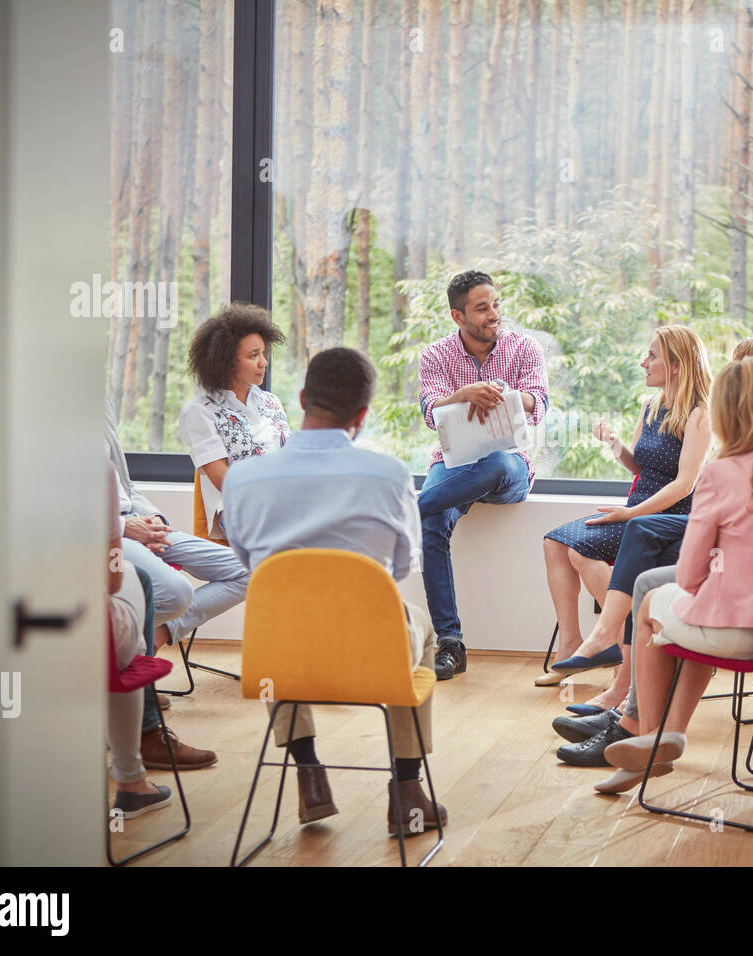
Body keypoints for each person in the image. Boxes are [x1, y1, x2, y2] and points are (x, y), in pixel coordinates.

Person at [551, 334, 753, 752]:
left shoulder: (724, 473)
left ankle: (633, 723)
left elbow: (693, 575)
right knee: (654, 569)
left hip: (740, 627)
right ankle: (661, 732)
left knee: (651, 594)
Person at [223, 347, 447, 834]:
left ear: (302, 398)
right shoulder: (388, 475)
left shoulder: (242, 477)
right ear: (362, 416)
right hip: (374, 653)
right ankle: (407, 789)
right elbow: (405, 565)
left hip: (279, 657)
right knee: (422, 628)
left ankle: (309, 774)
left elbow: (248, 563)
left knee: (278, 616)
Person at [542, 325, 713, 716]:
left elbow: (685, 485)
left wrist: (631, 513)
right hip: (636, 509)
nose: (643, 362)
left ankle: (615, 648)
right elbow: (639, 464)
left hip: (666, 518)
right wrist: (616, 445)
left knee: (582, 554)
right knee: (556, 541)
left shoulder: (700, 414)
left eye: (651, 355)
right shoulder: (651, 406)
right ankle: (574, 642)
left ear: (675, 365)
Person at [416, 270, 549, 680]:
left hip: (506, 465)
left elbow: (540, 401)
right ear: (459, 317)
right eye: (482, 308)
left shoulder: (524, 347)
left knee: (495, 464)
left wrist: (505, 395)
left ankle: (403, 510)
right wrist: (461, 396)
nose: (494, 314)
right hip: (453, 464)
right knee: (432, 521)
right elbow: (429, 412)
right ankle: (451, 644)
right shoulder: (434, 355)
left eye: (495, 304)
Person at [106, 396, 234, 771]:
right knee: (170, 591)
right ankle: (140, 707)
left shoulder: (101, 401)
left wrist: (155, 520)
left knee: (250, 567)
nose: (262, 363)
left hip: (137, 521)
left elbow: (124, 484)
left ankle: (149, 645)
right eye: (253, 355)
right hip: (108, 531)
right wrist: (125, 528)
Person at [178, 303, 291, 541]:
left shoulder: (271, 402)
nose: (264, 363)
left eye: (263, 353)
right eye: (253, 356)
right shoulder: (200, 412)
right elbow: (225, 481)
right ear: (226, 361)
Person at [106, 463, 173, 818]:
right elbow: (111, 578)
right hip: (69, 619)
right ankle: (131, 781)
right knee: (137, 582)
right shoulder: (91, 461)